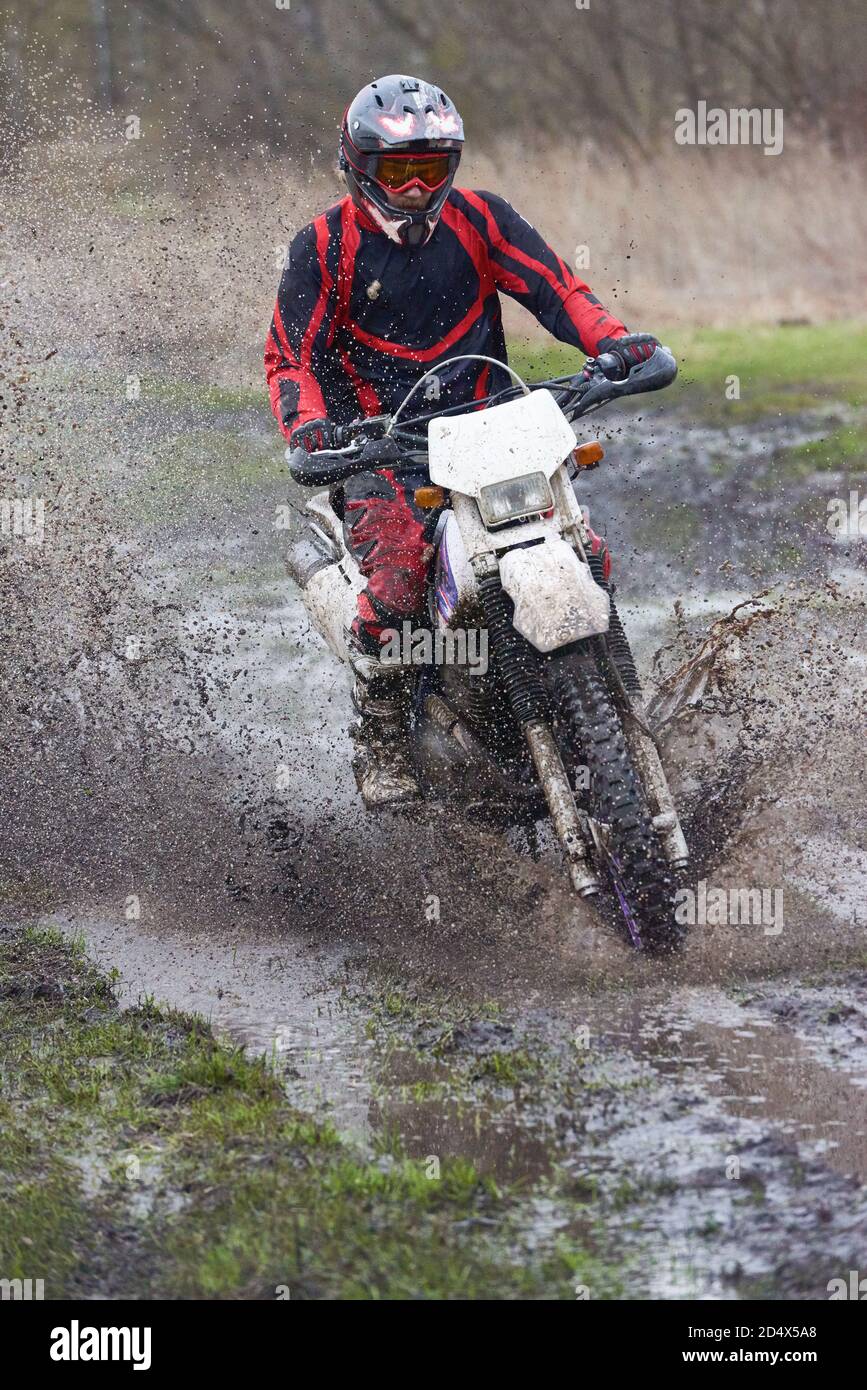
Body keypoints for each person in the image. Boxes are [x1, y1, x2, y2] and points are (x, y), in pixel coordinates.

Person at [266, 74, 660, 807]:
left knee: (587, 551)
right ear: (358, 167)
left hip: (494, 432)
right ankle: (382, 734)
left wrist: (614, 344)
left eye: (431, 168)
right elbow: (292, 360)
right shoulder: (321, 246)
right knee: (398, 581)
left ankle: (619, 703)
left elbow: (559, 291)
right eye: (398, 172)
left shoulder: (482, 219)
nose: (416, 188)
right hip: (384, 450)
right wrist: (311, 428)